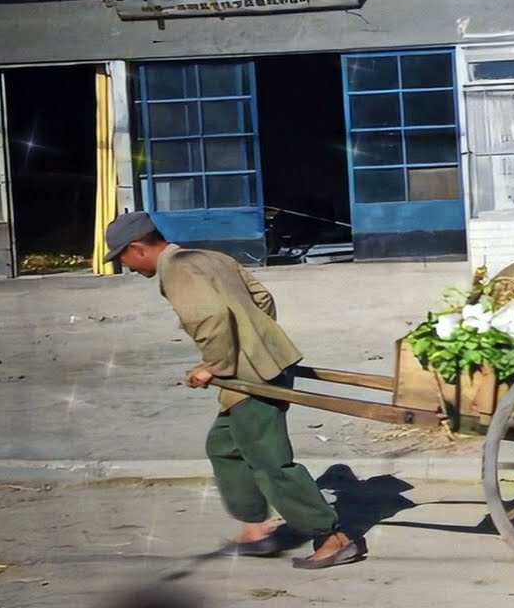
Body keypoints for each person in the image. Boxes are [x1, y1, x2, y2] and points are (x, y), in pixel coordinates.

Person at [102, 211, 364, 569]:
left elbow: (210, 319)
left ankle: (331, 536)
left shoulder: (178, 271)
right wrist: (258, 336)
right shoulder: (208, 257)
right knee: (224, 445)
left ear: (137, 248)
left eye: (122, 258)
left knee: (270, 461)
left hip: (251, 375)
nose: (126, 266)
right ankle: (257, 526)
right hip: (266, 364)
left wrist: (213, 365)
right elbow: (262, 297)